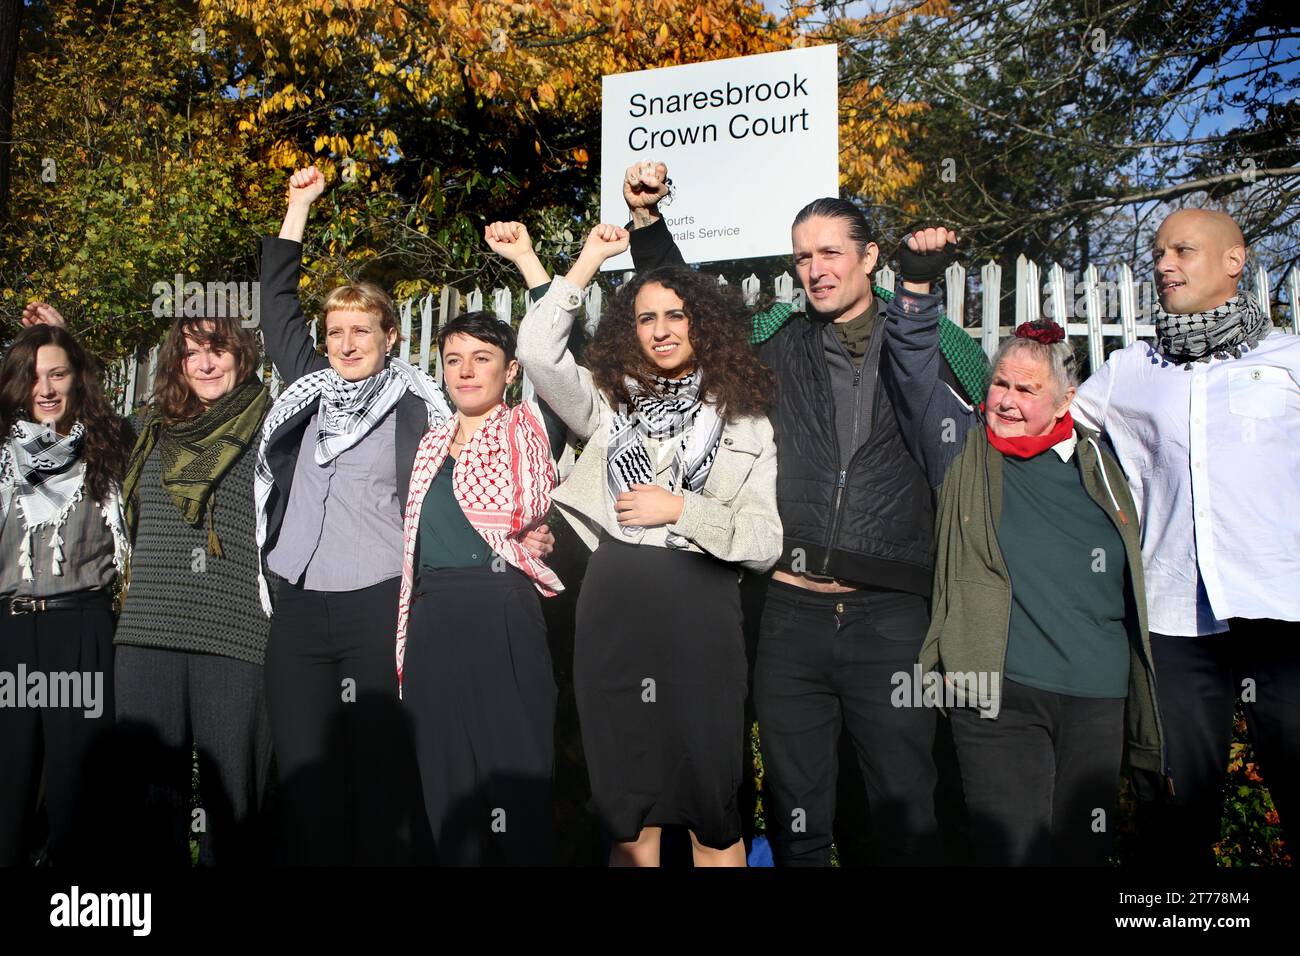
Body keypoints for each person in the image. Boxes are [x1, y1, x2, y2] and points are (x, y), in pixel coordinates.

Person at [624, 161, 988, 865]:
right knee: (796, 811)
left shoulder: (937, 349)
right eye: (802, 257)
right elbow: (693, 309)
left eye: (829, 253)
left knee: (904, 806)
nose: (815, 270)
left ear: (869, 257)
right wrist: (647, 222)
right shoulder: (779, 338)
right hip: (790, 616)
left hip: (891, 616)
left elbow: (977, 467)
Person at [254, 166, 552, 864]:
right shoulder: (306, 394)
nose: (348, 343)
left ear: (391, 336)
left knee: (384, 785)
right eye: (336, 331)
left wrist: (526, 530)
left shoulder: (423, 406)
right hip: (297, 607)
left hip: (379, 605)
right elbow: (275, 307)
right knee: (304, 777)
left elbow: (482, 470)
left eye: (364, 330)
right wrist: (298, 206)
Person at [880, 228, 1162, 865]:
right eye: (1001, 383)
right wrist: (918, 282)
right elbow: (912, 363)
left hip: (1097, 692)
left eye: (1026, 390)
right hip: (997, 688)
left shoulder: (1104, 462)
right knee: (1011, 851)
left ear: (1066, 398)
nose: (1004, 400)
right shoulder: (962, 448)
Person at [514, 222, 782, 866]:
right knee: (628, 813)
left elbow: (765, 541)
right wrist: (585, 265)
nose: (660, 330)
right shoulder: (608, 407)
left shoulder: (747, 421)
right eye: (644, 319)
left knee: (710, 812)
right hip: (614, 610)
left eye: (674, 316)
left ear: (703, 325)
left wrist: (683, 509)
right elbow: (538, 352)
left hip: (701, 619)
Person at [1070, 207, 1300, 865]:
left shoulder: (1289, 360)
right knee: (1175, 810)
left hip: (1284, 612)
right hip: (1176, 624)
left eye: (1183, 251)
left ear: (1235, 260)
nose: (1165, 265)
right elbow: (1040, 422)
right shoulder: (1131, 371)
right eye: (1159, 253)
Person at [394, 303, 563, 867]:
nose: (466, 371)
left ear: (509, 370)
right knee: (447, 793)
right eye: (454, 360)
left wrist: (526, 535)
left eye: (482, 358)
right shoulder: (427, 445)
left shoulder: (525, 427)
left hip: (501, 610)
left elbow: (526, 503)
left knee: (516, 785)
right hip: (431, 619)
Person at [110, 310, 274, 866]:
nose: (204, 363)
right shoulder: (145, 430)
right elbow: (65, 411)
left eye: (217, 350)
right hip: (148, 635)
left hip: (236, 634)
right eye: (190, 352)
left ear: (241, 356)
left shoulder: (270, 427)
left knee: (234, 803)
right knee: (150, 803)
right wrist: (60, 338)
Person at [0, 311, 129, 865]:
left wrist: (71, 336)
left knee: (78, 791)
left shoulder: (108, 446)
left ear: (77, 377)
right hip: (9, 631)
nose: (45, 389)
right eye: (32, 376)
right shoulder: (2, 452)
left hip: (80, 628)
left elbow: (126, 418)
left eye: (57, 374)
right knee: (8, 786)